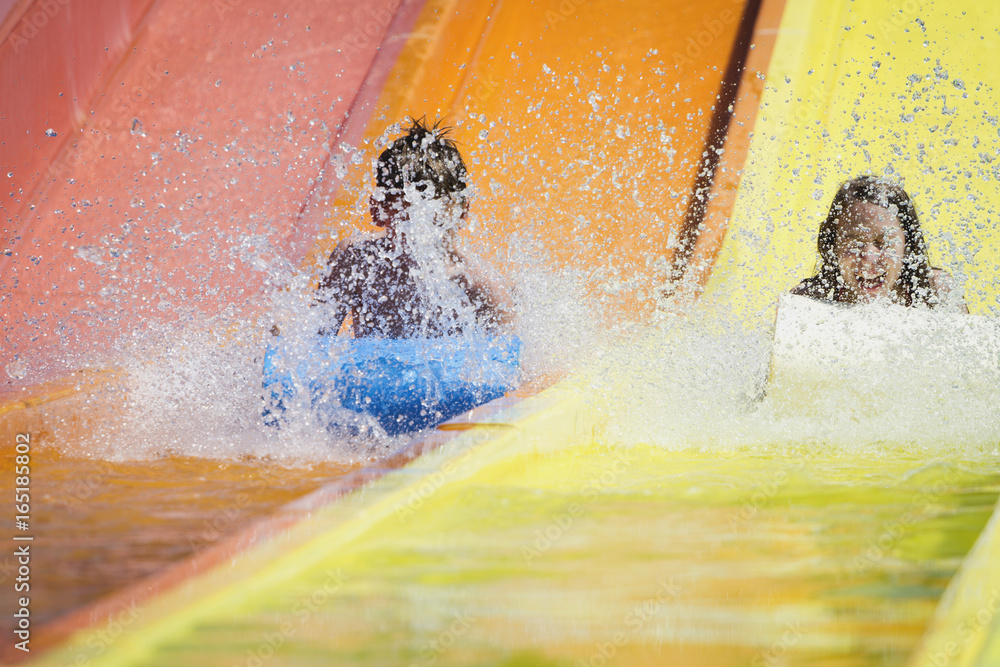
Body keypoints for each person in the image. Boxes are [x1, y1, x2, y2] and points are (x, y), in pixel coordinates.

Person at [315, 118, 512, 337]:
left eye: (432, 222)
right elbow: (314, 342)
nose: (419, 237)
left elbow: (508, 364)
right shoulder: (355, 259)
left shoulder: (477, 286)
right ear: (377, 210)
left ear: (462, 213)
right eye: (406, 220)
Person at [791, 175, 966, 311]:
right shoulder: (808, 301)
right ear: (833, 246)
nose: (869, 257)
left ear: (907, 245)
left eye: (884, 243)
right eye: (854, 243)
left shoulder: (937, 292)